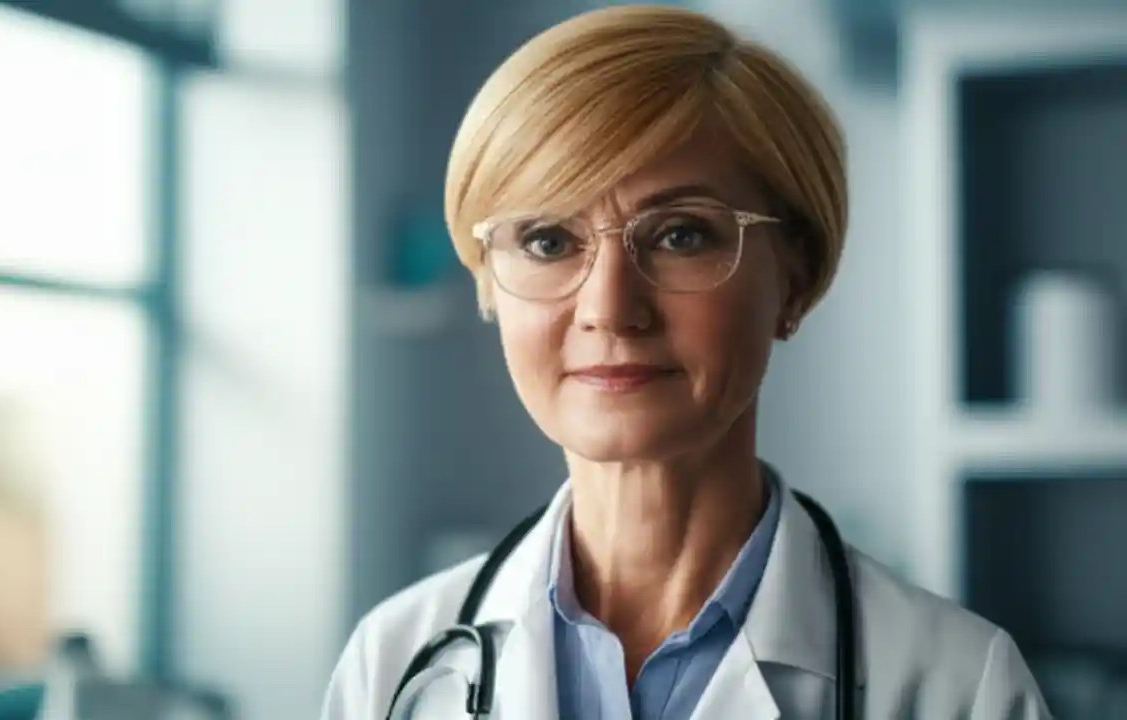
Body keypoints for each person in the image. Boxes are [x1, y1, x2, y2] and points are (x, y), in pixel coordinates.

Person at [322, 5, 1050, 718]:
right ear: (489, 285)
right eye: (547, 241)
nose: (609, 306)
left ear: (795, 277)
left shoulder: (957, 686)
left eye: (680, 235)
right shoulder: (394, 669)